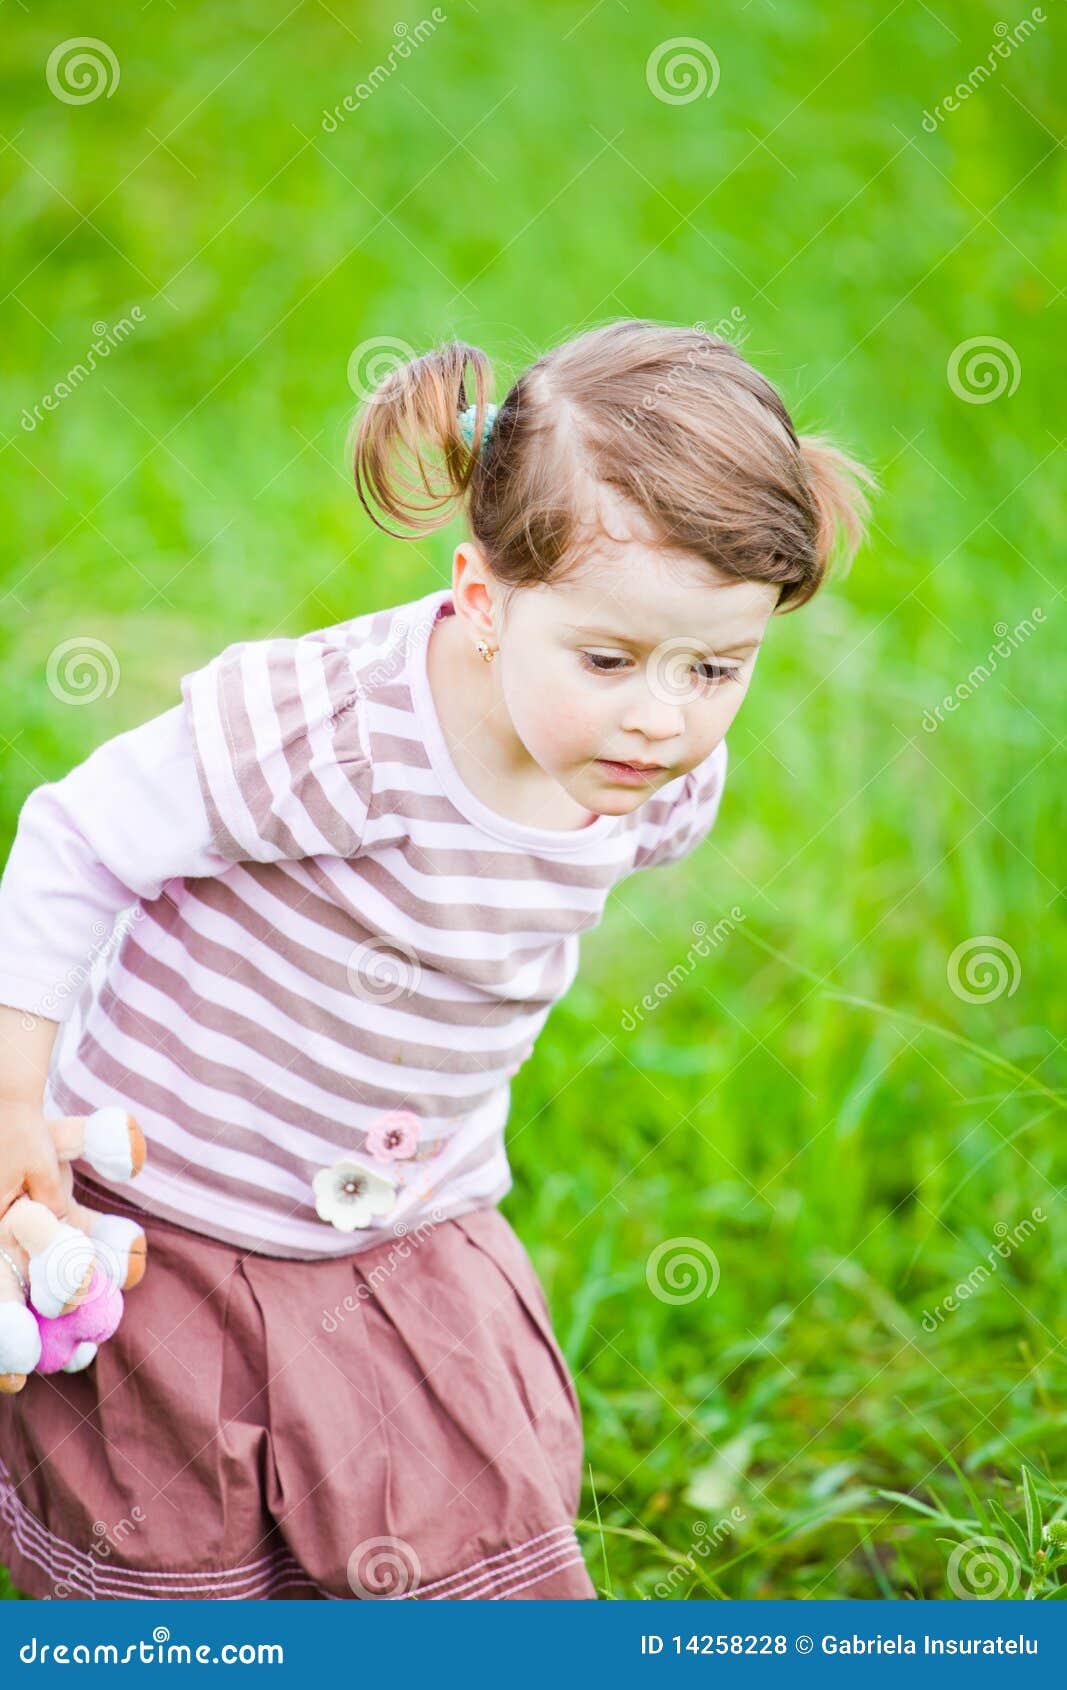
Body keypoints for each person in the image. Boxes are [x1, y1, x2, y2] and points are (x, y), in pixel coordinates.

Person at [0, 319, 873, 1600]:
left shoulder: (652, 774)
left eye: (714, 666)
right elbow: (78, 838)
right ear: (480, 598)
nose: (660, 716)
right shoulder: (333, 728)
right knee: (180, 1546)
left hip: (413, 1216)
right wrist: (16, 1095)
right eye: (608, 659)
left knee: (461, 1525)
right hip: (177, 1195)